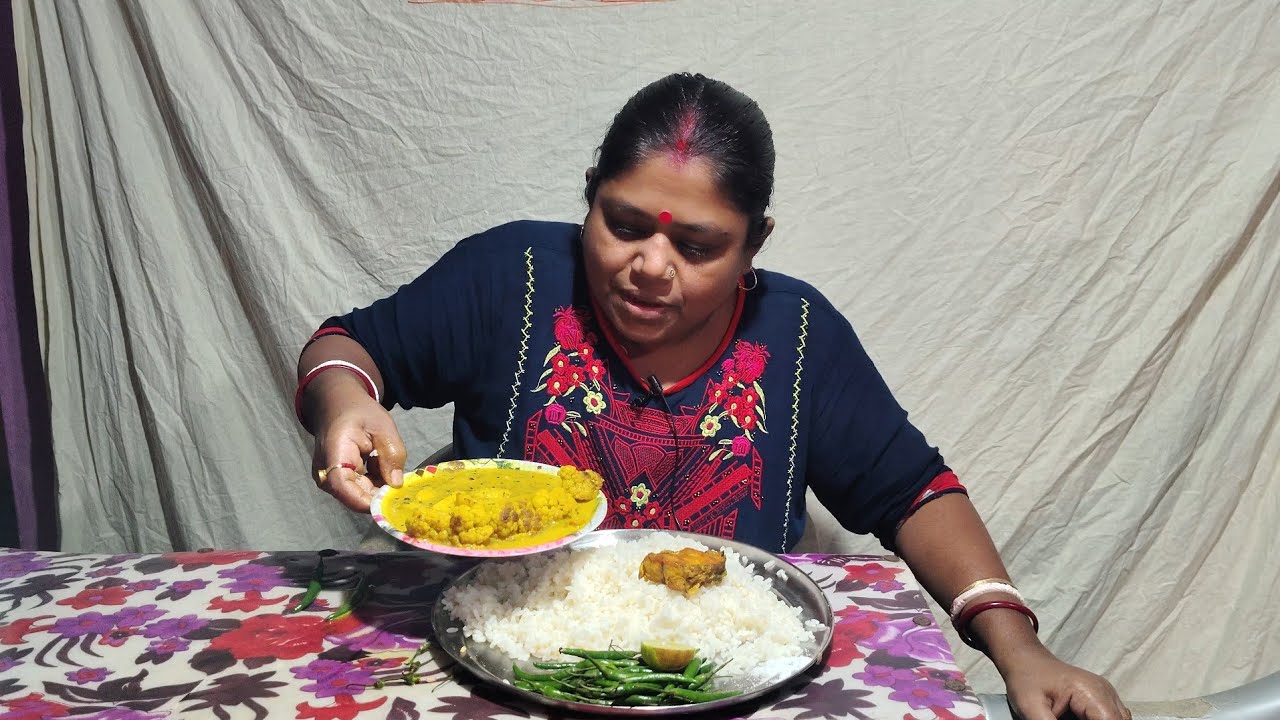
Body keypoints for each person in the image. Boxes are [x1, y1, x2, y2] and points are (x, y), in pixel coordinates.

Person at [295, 72, 1130, 720]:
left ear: (754, 243)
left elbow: (912, 490)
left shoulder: (798, 335)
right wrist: (343, 403)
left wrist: (1020, 653)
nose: (651, 266)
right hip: (492, 676)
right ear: (589, 195)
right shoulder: (509, 277)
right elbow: (346, 346)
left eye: (696, 246)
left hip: (723, 692)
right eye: (623, 224)